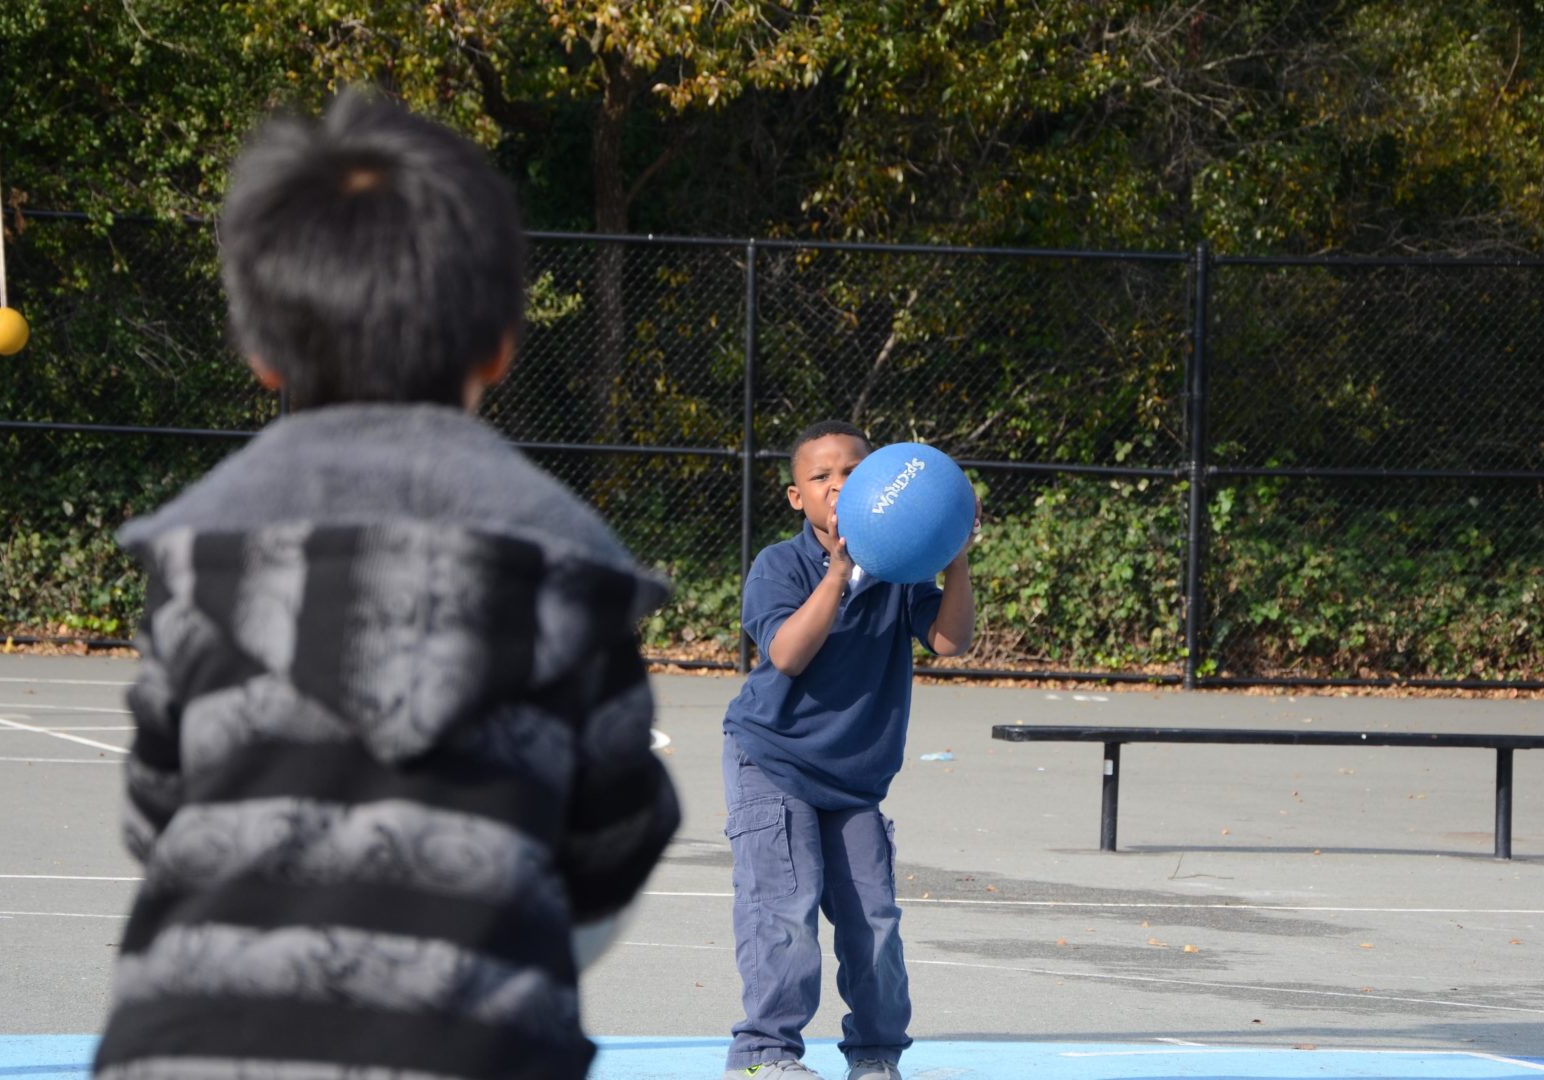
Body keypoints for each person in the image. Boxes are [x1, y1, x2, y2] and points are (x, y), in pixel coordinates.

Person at [91, 92, 680, 1080]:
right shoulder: (570, 564)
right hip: (479, 1047)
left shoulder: (202, 551)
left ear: (260, 353)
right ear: (499, 344)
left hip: (190, 1042)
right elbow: (618, 832)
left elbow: (155, 807)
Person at [720, 420, 978, 1080]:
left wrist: (954, 554)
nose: (838, 487)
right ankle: (765, 1056)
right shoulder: (781, 565)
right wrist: (839, 572)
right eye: (820, 477)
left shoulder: (901, 568)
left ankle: (875, 1056)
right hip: (772, 760)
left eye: (852, 474)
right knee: (784, 912)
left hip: (854, 779)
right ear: (795, 498)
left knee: (875, 924)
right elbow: (786, 653)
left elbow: (950, 643)